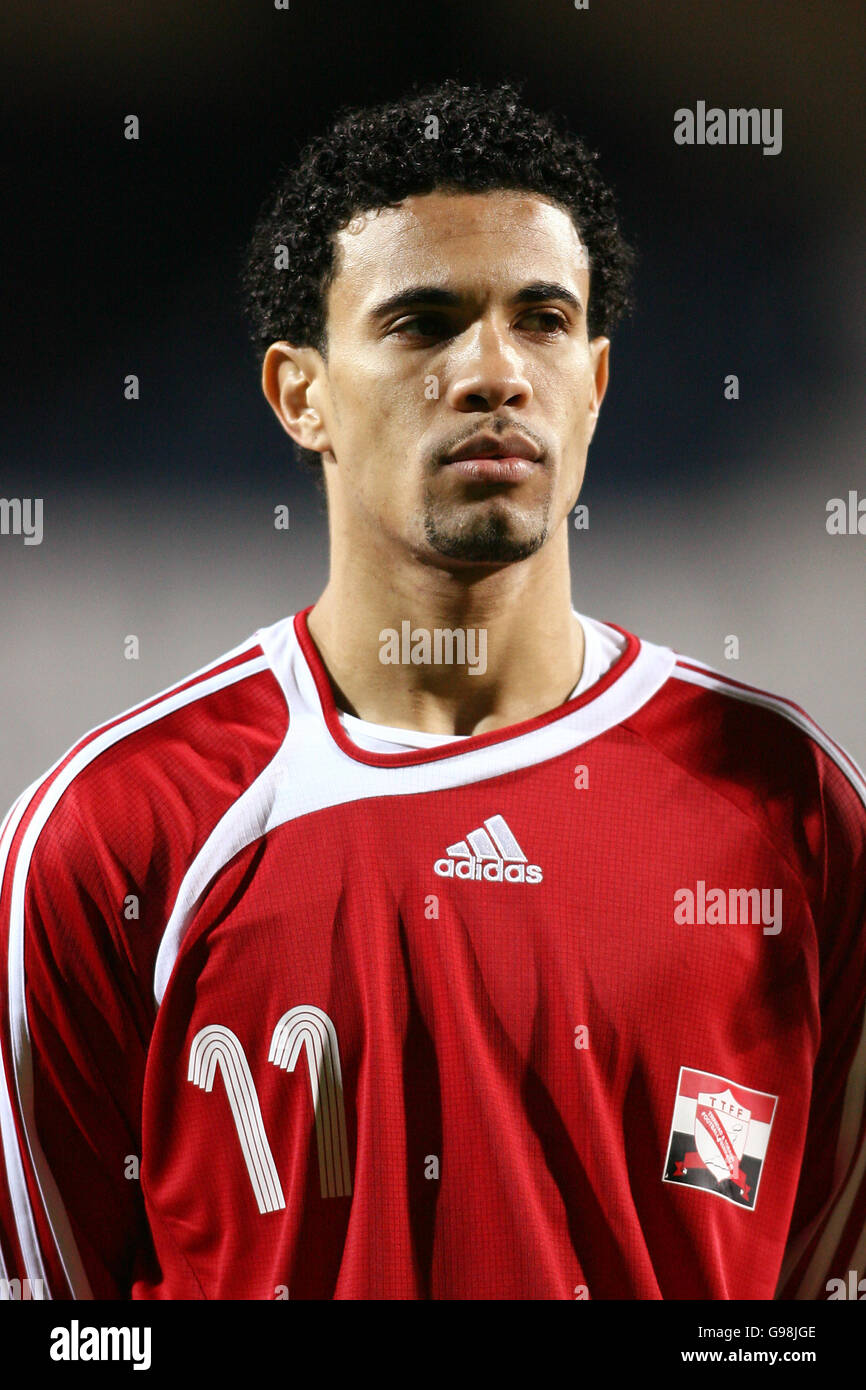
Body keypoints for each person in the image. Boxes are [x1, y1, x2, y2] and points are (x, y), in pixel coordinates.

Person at [1, 81, 863, 1301]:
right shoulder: (113, 833)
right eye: (421, 322)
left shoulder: (785, 807)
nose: (493, 372)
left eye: (543, 320)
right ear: (299, 394)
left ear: (598, 382)